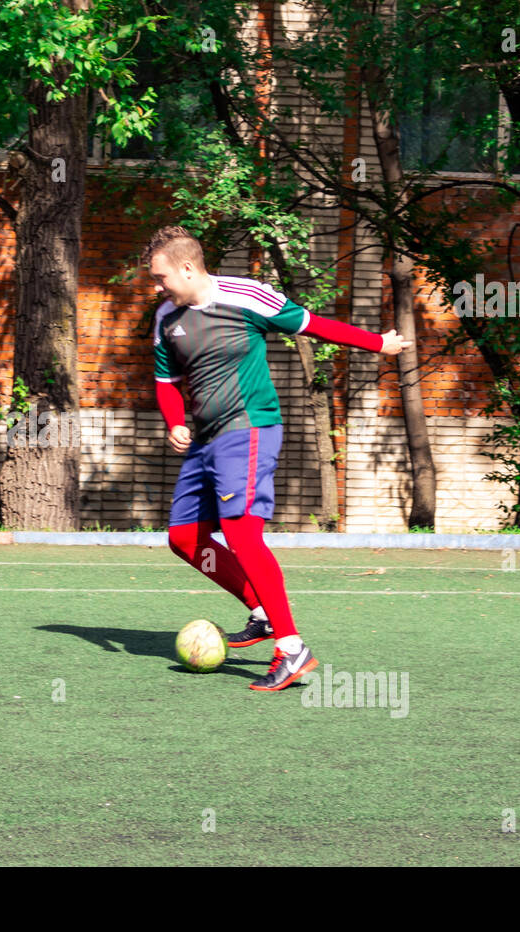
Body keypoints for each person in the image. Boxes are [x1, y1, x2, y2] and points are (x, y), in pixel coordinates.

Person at [145, 226, 412, 691]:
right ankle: (263, 612)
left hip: (249, 431)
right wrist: (174, 421)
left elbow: (313, 324)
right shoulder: (167, 316)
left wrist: (377, 344)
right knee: (185, 538)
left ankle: (291, 648)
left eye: (160, 277)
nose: (156, 286)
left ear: (187, 268)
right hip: (204, 439)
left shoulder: (246, 295)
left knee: (241, 533)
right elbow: (166, 381)